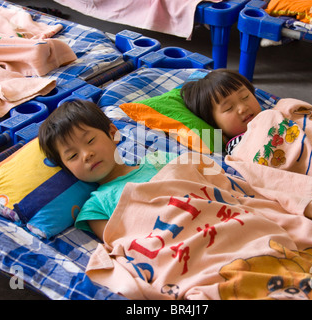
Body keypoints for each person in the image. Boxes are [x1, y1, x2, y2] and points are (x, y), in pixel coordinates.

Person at [38, 99, 176, 240]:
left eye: (90, 141)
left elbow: (196, 177)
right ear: (66, 168)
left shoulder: (160, 160)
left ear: (113, 133)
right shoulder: (96, 207)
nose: (86, 155)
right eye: (73, 156)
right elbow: (121, 245)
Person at [180, 69, 261, 154]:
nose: (243, 108)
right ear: (214, 124)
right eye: (228, 108)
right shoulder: (238, 146)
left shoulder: (271, 114)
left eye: (245, 97)